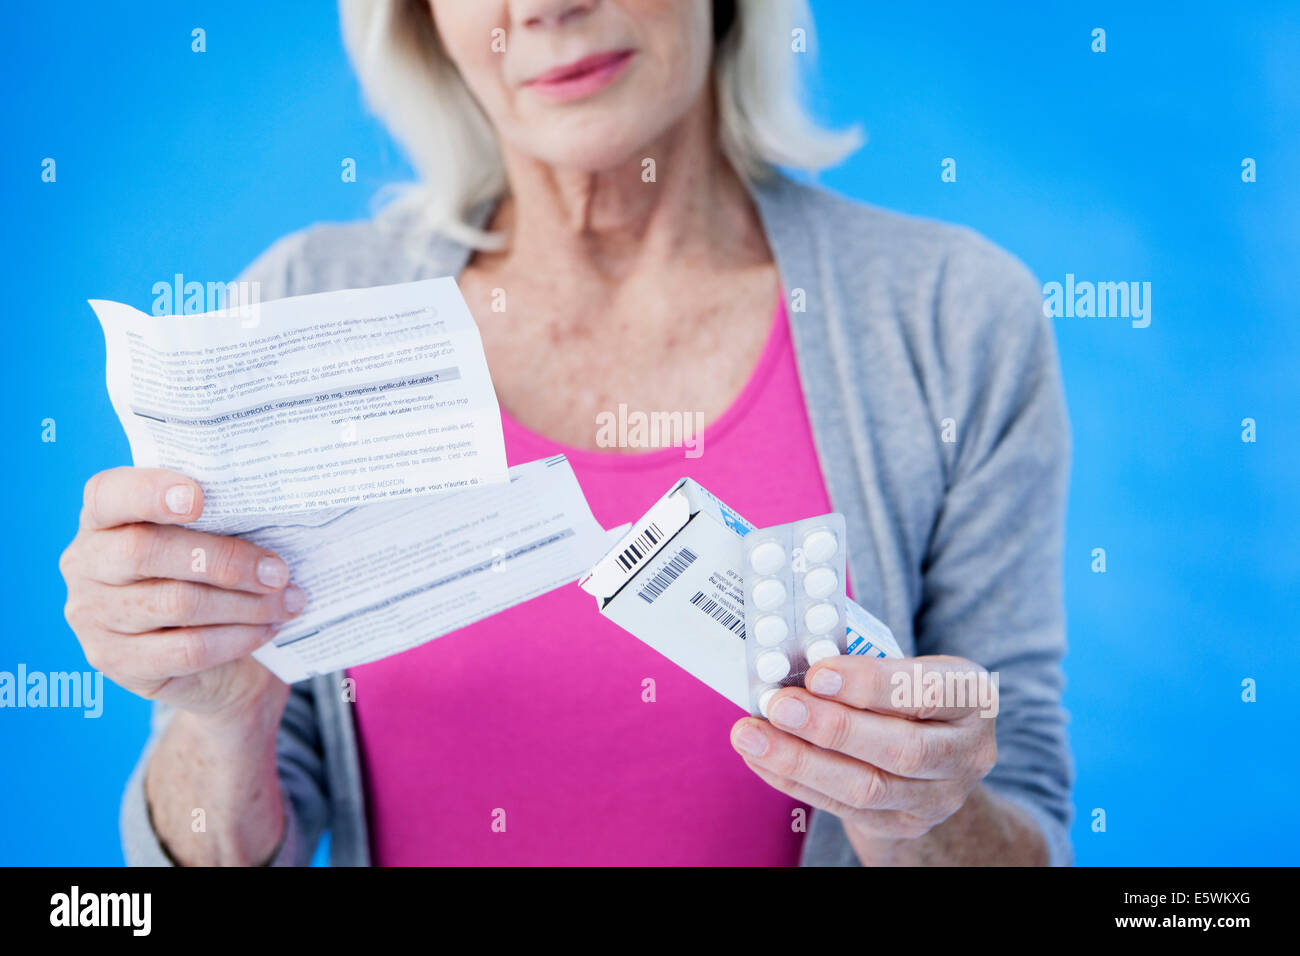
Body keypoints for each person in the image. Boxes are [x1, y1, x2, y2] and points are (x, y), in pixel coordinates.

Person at [59, 0, 1073, 866]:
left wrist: (924, 804)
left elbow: (1019, 822)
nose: (544, 4)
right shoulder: (304, 306)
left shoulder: (951, 317)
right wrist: (225, 710)